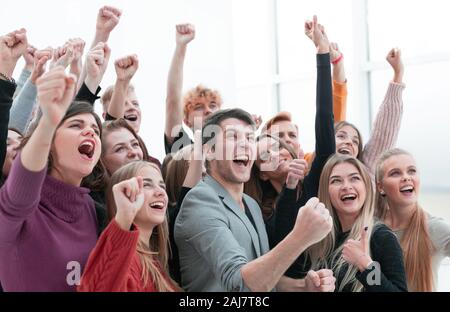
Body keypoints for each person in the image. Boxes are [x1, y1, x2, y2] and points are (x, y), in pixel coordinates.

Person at [174, 108, 335, 292]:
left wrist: (304, 287)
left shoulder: (251, 205)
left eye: (250, 138)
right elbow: (241, 286)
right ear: (210, 151)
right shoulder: (199, 202)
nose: (244, 144)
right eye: (233, 136)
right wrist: (300, 237)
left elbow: (266, 278)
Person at [0, 66, 103, 291]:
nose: (91, 132)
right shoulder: (19, 205)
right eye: (76, 125)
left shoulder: (92, 208)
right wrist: (48, 122)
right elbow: (22, 188)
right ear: (49, 143)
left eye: (96, 129)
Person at [305, 154, 408, 292]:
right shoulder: (320, 241)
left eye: (354, 178)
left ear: (366, 187)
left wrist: (365, 265)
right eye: (336, 181)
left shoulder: (382, 237)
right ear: (326, 191)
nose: (346, 186)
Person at [79, 161, 179, 292]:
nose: (160, 192)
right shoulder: (127, 262)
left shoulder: (153, 259)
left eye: (162, 186)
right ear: (124, 195)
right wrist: (125, 215)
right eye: (147, 185)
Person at [375, 148, 450, 291]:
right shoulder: (372, 229)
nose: (406, 177)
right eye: (395, 173)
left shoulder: (435, 228)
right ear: (381, 187)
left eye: (412, 171)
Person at [164, 24, 222, 155]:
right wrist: (181, 46)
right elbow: (173, 100)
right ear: (186, 121)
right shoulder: (182, 147)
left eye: (213, 105)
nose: (208, 111)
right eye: (198, 107)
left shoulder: (234, 151)